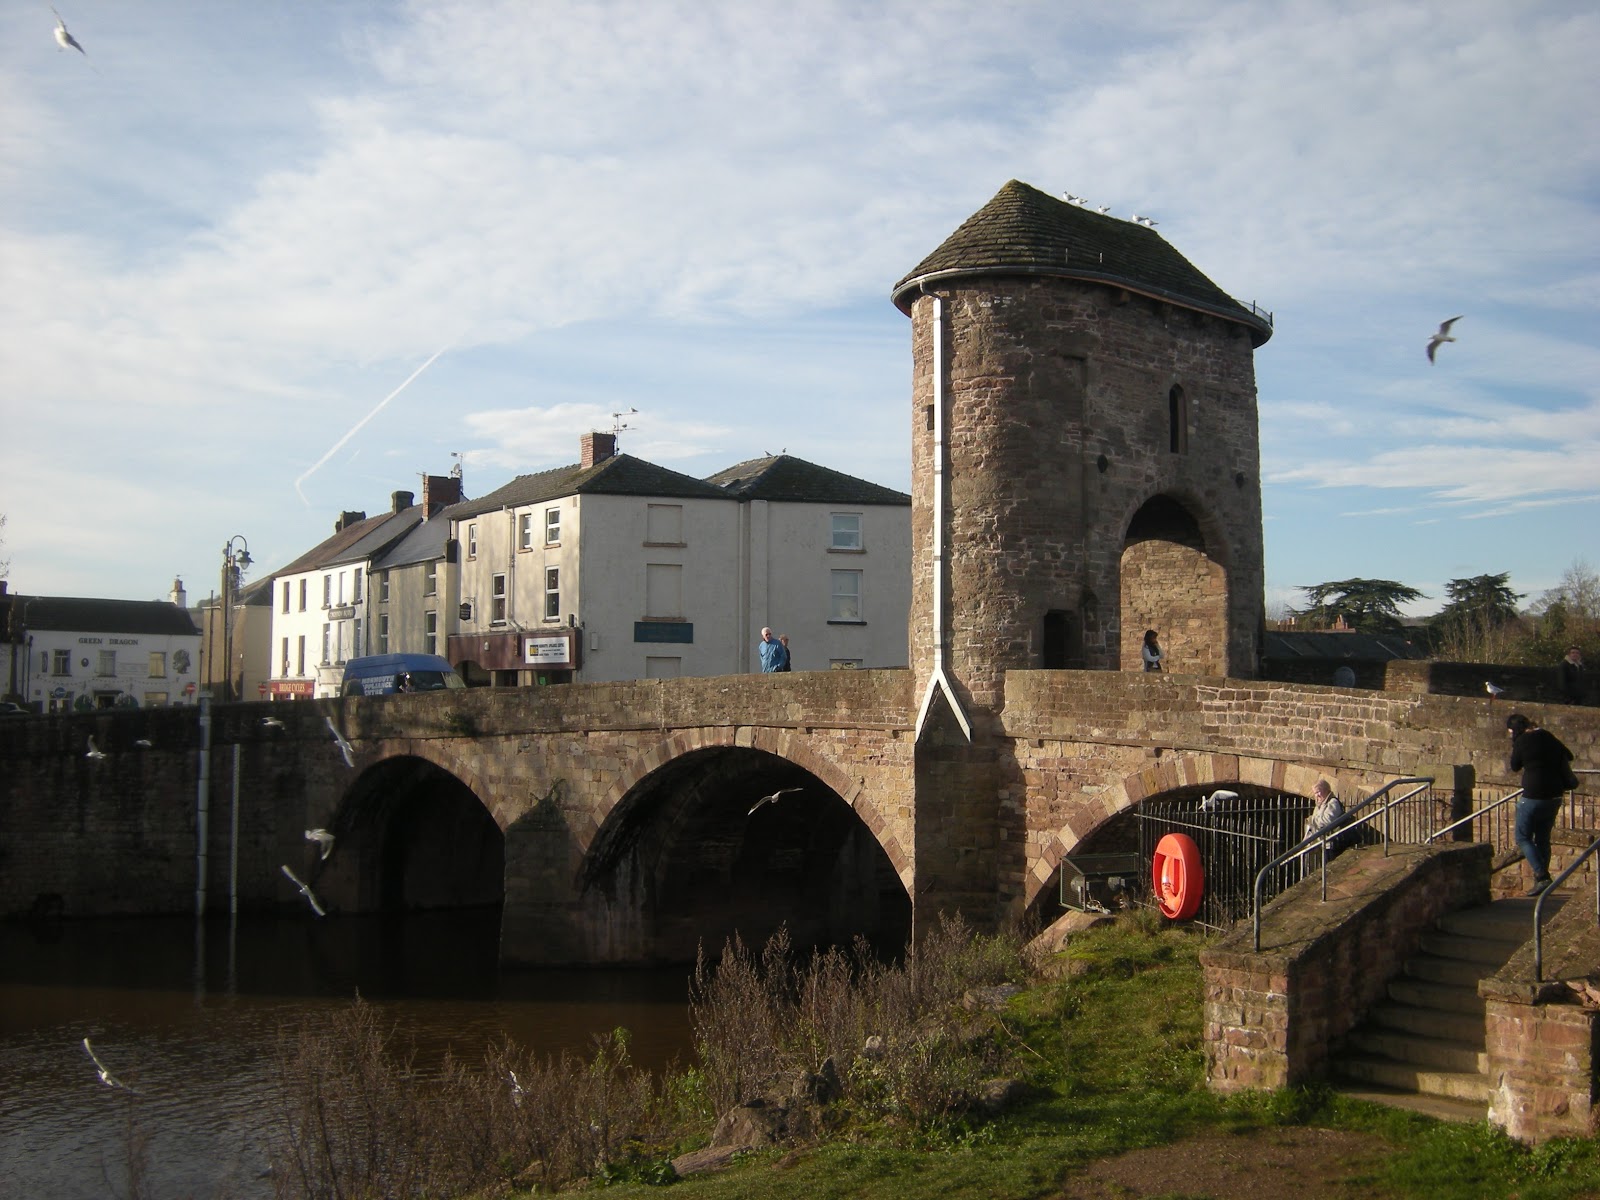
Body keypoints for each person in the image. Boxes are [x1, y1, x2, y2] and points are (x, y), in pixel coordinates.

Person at [1506, 712, 1576, 895]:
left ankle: (1542, 876)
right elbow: (1569, 755)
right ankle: (1543, 882)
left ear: (1514, 729)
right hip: (1554, 796)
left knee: (1523, 837)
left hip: (1533, 795)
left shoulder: (1522, 741)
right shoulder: (1547, 735)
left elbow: (1514, 766)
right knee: (1543, 839)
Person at [1303, 779, 1348, 850]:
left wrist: (1312, 820)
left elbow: (1328, 820)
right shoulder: (1319, 805)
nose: (1317, 795)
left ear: (1326, 790)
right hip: (1321, 842)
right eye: (1315, 793)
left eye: (1318, 792)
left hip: (1331, 842)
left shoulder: (1333, 802)